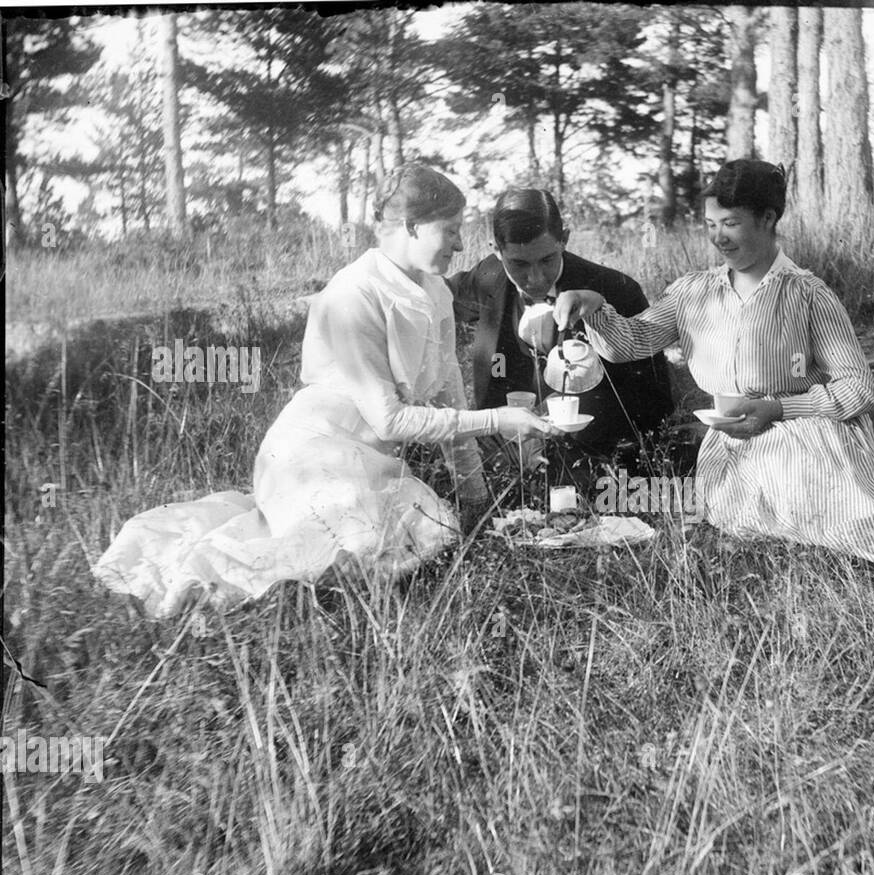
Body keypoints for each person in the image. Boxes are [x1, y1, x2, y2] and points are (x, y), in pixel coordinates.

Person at [93, 162, 558, 618]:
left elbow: (448, 396)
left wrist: (475, 498)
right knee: (356, 543)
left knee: (428, 531)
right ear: (412, 227)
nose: (460, 243)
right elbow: (390, 419)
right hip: (312, 452)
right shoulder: (353, 293)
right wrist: (500, 419)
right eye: (451, 229)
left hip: (370, 456)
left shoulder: (434, 291)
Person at [554, 158, 874, 585]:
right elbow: (633, 342)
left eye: (731, 223)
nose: (718, 237)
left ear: (768, 218)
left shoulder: (808, 295)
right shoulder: (693, 292)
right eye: (710, 223)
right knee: (739, 515)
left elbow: (859, 390)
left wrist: (778, 408)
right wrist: (595, 306)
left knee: (824, 500)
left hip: (808, 430)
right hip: (733, 437)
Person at [448, 188, 677, 487]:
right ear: (496, 249)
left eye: (547, 260)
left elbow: (654, 399)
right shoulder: (488, 276)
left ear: (564, 239)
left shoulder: (617, 289)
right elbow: (436, 296)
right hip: (502, 452)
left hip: (594, 458)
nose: (536, 278)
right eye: (519, 264)